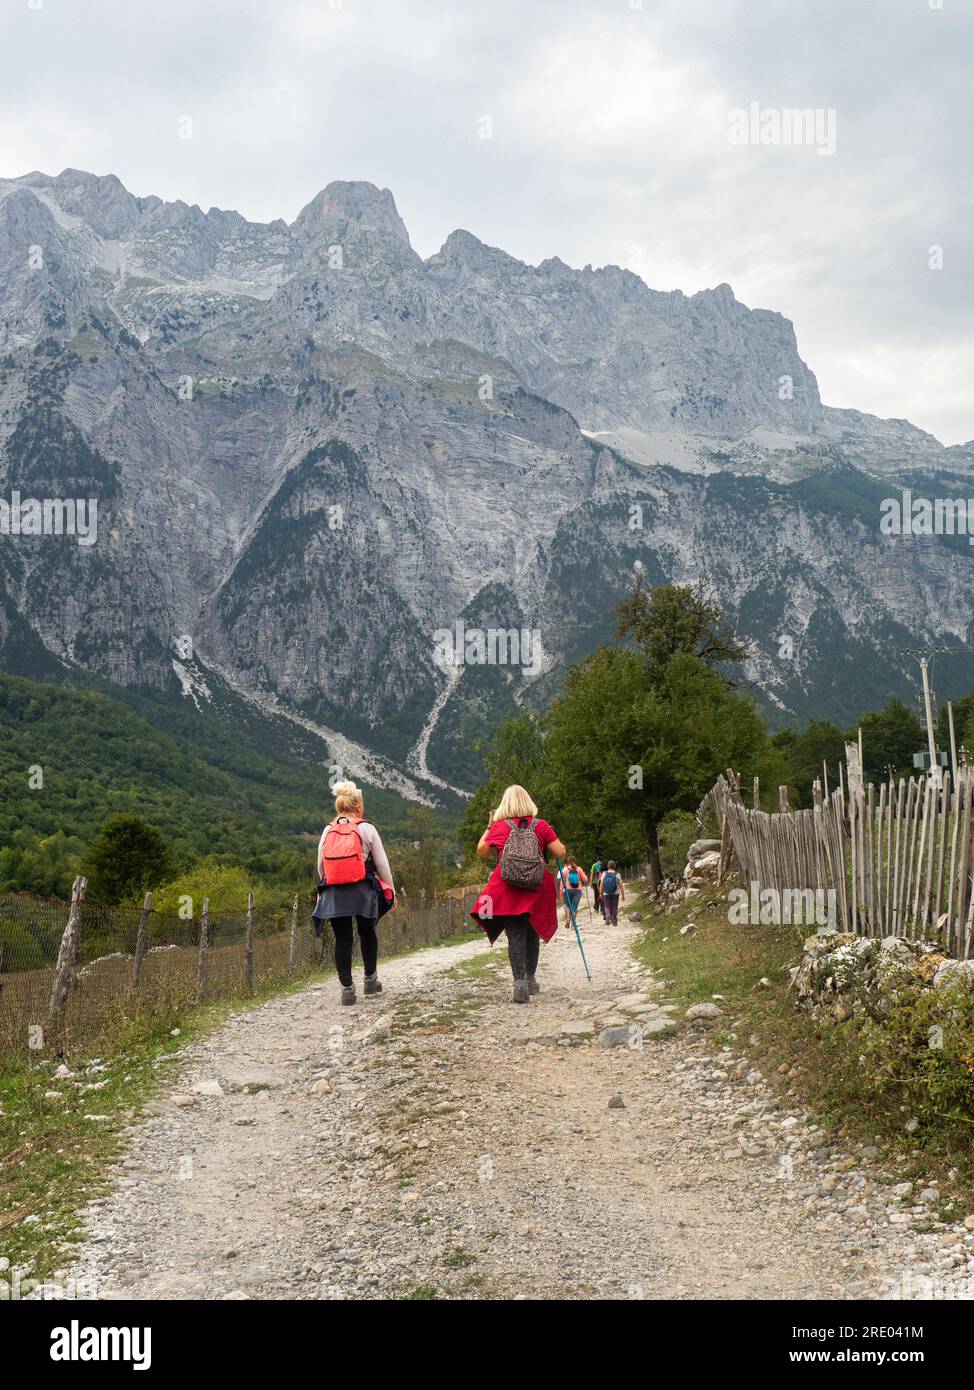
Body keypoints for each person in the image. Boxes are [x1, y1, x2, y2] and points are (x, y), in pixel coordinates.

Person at [471, 784, 567, 1003]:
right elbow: (560, 852)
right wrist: (549, 833)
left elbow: (482, 851)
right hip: (536, 888)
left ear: (504, 805)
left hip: (508, 889)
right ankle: (531, 979)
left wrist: (489, 825)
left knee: (515, 936)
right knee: (532, 934)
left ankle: (519, 985)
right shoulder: (541, 826)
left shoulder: (499, 827)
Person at [312, 780, 396, 1005]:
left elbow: (321, 866)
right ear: (358, 805)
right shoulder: (367, 828)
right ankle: (370, 981)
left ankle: (347, 991)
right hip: (363, 891)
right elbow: (382, 865)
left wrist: (329, 883)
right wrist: (392, 892)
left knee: (343, 939)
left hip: (334, 892)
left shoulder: (328, 830)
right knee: (367, 932)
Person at [559, 855, 589, 928]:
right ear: (575, 861)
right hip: (577, 891)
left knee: (568, 906)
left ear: (568, 862)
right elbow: (585, 880)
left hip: (568, 890)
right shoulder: (579, 869)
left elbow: (562, 883)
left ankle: (568, 919)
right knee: (574, 907)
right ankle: (573, 924)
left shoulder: (565, 870)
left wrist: (561, 893)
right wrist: (583, 874)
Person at [599, 861, 624, 925]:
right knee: (614, 906)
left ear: (608, 866)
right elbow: (620, 885)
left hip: (606, 893)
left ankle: (607, 915)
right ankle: (614, 921)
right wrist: (623, 895)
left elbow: (601, 884)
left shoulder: (604, 874)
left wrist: (600, 893)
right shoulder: (617, 874)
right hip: (615, 893)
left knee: (607, 906)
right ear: (614, 866)